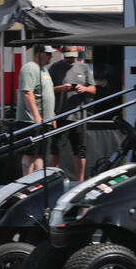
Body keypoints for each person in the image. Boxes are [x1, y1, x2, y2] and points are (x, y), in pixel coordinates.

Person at [48, 47, 98, 181]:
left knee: (80, 150)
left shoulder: (84, 67)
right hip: (60, 115)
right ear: (62, 54)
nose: (70, 59)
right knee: (56, 149)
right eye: (68, 56)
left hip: (79, 116)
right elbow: (46, 89)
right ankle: (53, 179)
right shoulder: (54, 67)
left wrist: (84, 88)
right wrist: (60, 89)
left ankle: (80, 180)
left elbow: (93, 89)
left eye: (73, 56)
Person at [16, 45, 56, 174]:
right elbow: (27, 92)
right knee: (29, 155)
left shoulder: (44, 70)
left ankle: (38, 185)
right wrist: (36, 116)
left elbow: (46, 93)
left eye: (51, 54)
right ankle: (26, 185)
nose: (51, 56)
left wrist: (52, 115)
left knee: (40, 155)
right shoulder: (29, 68)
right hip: (30, 121)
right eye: (48, 53)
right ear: (39, 53)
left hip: (44, 120)